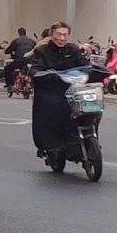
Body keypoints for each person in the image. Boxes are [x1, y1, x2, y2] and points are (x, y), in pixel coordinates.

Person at [28, 22, 90, 157]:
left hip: (73, 90)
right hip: (51, 91)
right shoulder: (42, 51)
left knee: (87, 111)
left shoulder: (73, 49)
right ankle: (52, 146)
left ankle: (86, 141)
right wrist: (44, 74)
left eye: (65, 35)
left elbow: (84, 64)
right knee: (51, 111)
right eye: (59, 34)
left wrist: (92, 70)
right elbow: (35, 69)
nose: (62, 38)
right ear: (52, 35)